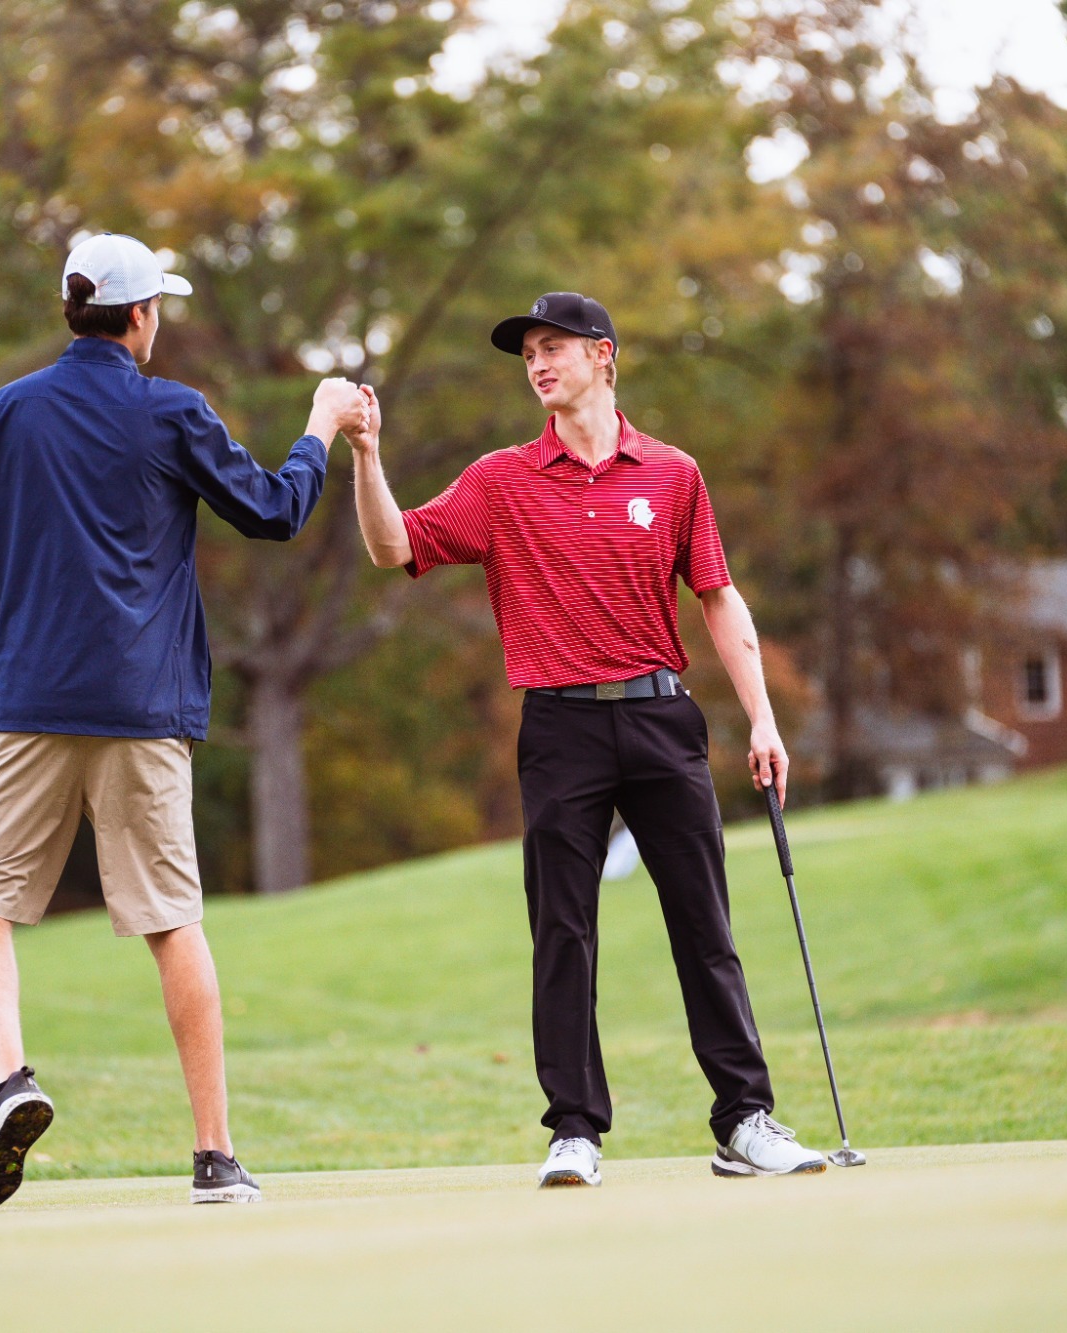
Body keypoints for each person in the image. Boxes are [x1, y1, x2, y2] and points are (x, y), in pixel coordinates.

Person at [344, 292, 828, 1186]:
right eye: (527, 351)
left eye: (553, 347)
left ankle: (745, 1119)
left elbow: (717, 596)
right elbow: (393, 547)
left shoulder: (674, 474)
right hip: (559, 723)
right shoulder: (498, 481)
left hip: (661, 713)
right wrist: (368, 458)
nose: (537, 363)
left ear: (604, 357)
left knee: (703, 924)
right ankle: (574, 1129)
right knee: (563, 928)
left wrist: (761, 715)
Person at [0, 233, 365, 1210]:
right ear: (137, 317)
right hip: (142, 707)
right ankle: (213, 1156)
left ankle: (10, 1081)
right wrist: (319, 422)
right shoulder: (173, 411)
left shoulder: (4, 414)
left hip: (25, 703)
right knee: (171, 921)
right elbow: (273, 511)